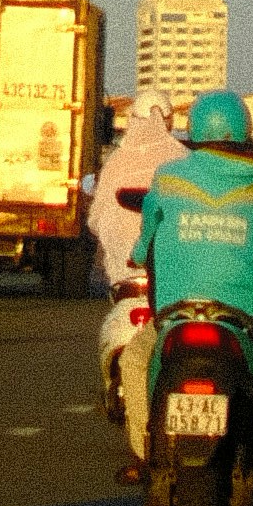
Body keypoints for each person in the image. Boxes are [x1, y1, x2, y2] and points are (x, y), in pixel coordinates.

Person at [134, 88, 253, 486]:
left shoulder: (168, 177)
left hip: (175, 315)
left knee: (135, 361)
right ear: (244, 133)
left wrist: (138, 257)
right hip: (245, 317)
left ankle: (142, 453)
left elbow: (143, 243)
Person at [91, 94, 186, 455]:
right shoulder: (184, 161)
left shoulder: (116, 163)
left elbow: (97, 220)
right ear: (170, 120)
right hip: (180, 280)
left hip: (127, 277)